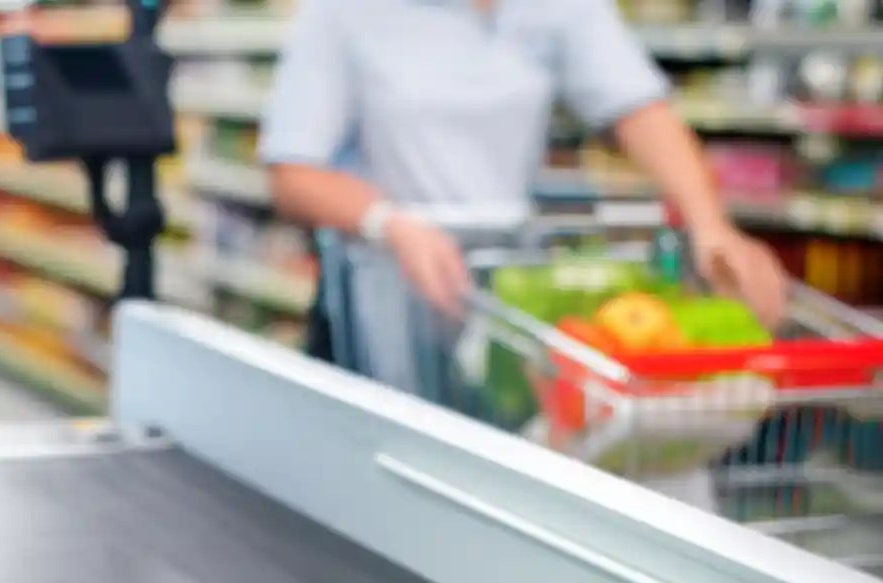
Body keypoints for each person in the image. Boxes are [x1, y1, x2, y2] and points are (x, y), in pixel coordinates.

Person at [260, 0, 788, 339]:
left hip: (500, 298)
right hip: (380, 304)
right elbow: (292, 173)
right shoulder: (342, 14)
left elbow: (639, 110)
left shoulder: (554, 9)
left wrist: (710, 224)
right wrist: (393, 226)